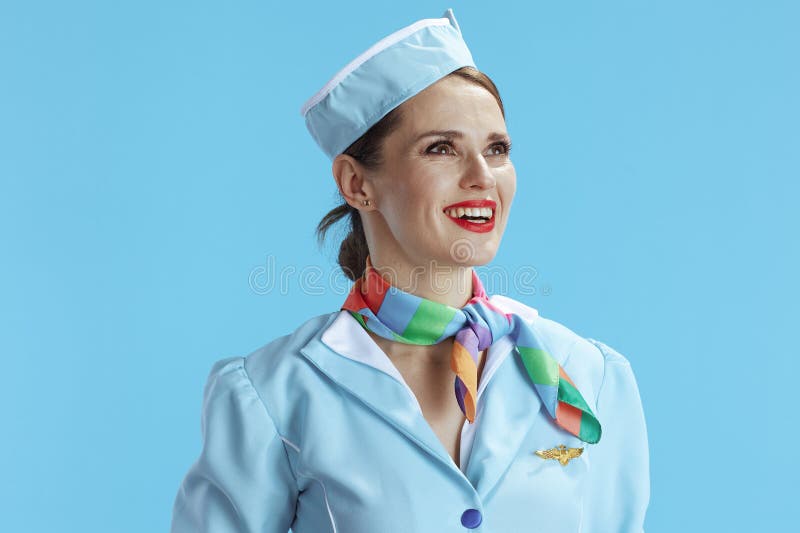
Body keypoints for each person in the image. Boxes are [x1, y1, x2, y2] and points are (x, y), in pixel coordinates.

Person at [170, 8, 650, 533]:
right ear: (356, 184)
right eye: (441, 148)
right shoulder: (270, 392)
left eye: (498, 149)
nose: (482, 177)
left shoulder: (588, 375)